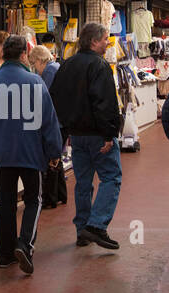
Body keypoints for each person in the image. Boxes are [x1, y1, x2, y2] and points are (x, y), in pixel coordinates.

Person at [0, 35, 63, 275]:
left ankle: (5, 255)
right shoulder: (35, 82)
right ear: (24, 55)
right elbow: (49, 121)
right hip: (32, 154)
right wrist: (54, 152)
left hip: (3, 155)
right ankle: (25, 245)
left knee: (7, 204)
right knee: (34, 200)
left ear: (4, 55)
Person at [49, 22, 122, 250]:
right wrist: (109, 133)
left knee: (83, 183)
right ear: (93, 41)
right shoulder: (99, 66)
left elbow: (55, 101)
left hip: (76, 136)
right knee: (111, 177)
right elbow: (106, 103)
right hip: (98, 135)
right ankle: (96, 225)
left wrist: (66, 130)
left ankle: (82, 230)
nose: (108, 43)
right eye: (105, 39)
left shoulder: (66, 65)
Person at [27, 45, 67, 208]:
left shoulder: (49, 71)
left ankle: (50, 198)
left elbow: (44, 96)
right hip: (62, 120)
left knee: (50, 159)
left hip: (56, 121)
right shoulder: (56, 66)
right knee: (56, 158)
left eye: (34, 64)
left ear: (38, 60)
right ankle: (61, 194)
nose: (35, 68)